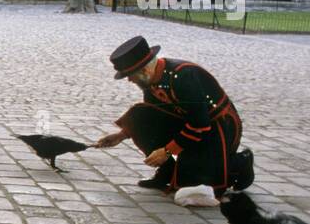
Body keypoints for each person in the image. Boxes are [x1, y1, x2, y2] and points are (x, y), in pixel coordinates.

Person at [94, 36, 254, 196]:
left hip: (216, 127)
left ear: (144, 70)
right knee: (139, 115)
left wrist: (167, 151)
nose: (129, 79)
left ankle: (239, 163)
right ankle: (167, 171)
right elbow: (154, 114)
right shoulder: (149, 80)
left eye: (130, 74)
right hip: (188, 123)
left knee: (196, 187)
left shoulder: (184, 76)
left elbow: (200, 123)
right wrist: (122, 135)